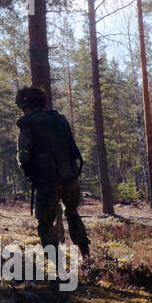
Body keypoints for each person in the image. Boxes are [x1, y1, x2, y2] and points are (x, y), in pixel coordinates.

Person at [15, 86, 90, 260]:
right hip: (69, 176)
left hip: (47, 181)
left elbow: (23, 156)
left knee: (45, 224)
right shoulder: (59, 119)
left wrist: (28, 171)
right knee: (72, 213)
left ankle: (58, 267)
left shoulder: (27, 124)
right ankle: (86, 257)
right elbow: (71, 146)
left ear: (26, 107)